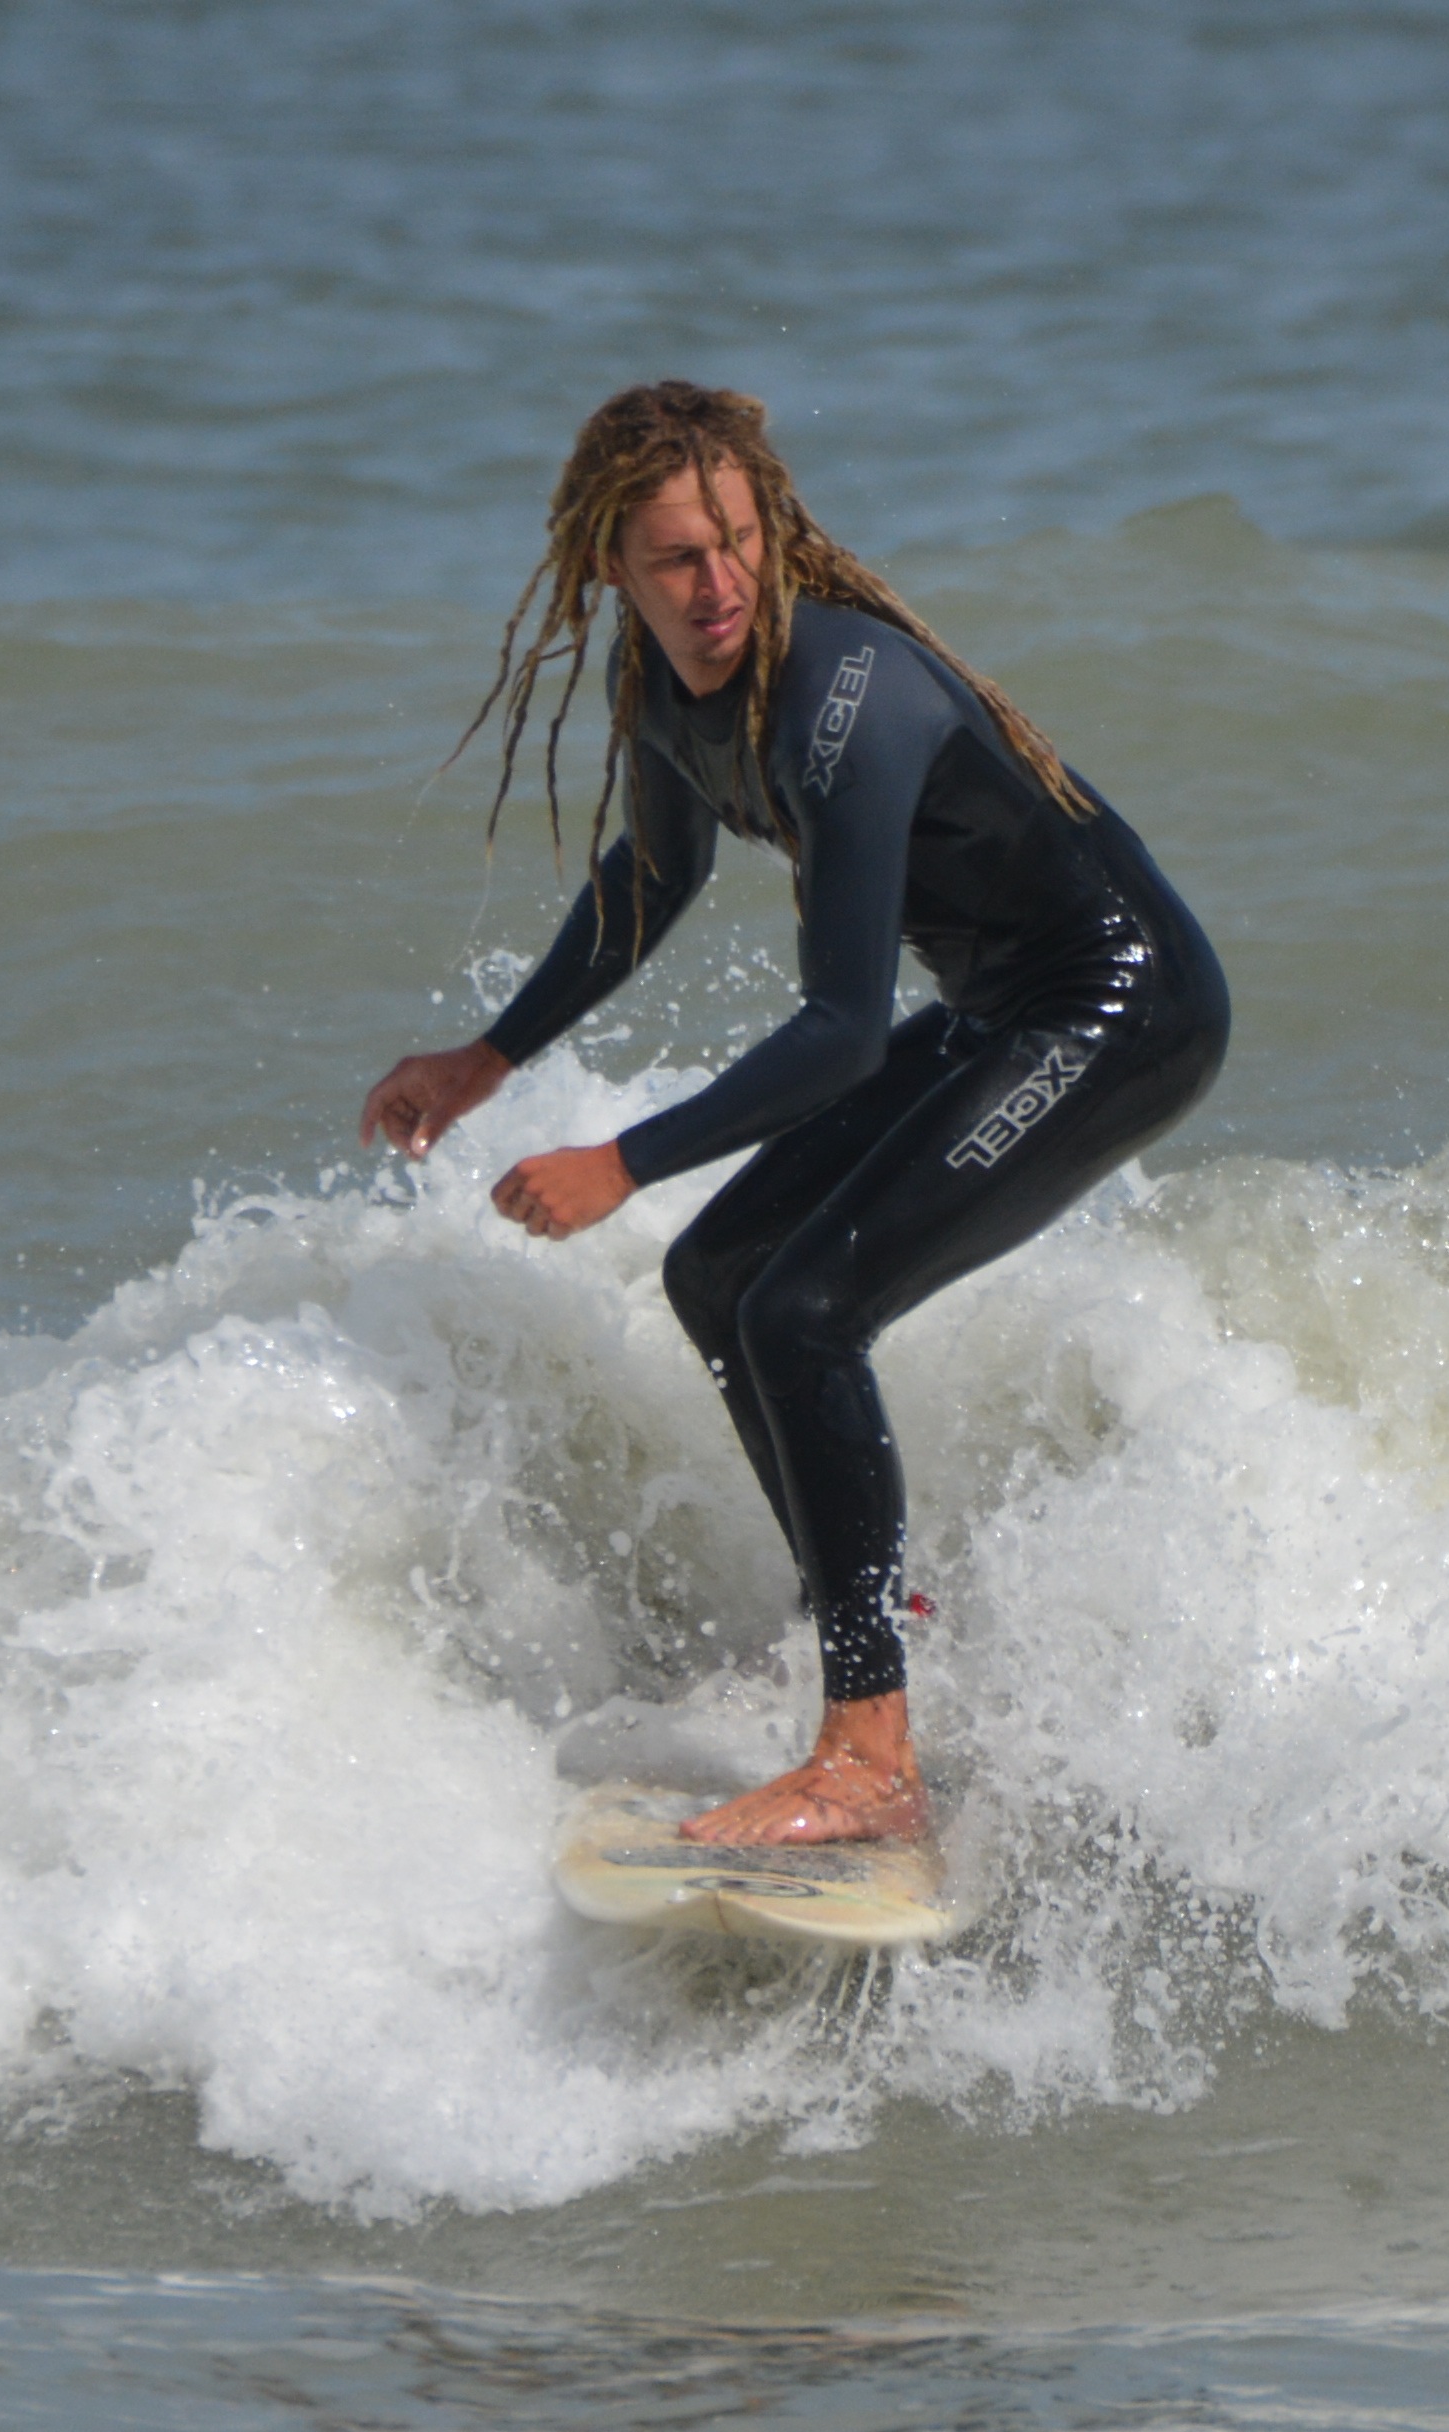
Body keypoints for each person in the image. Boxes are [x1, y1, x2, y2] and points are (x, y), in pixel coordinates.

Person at [359, 381, 1227, 1847]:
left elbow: (834, 1036)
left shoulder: (848, 694)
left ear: (774, 527)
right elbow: (653, 877)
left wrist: (621, 1162)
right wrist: (487, 1059)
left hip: (1116, 1009)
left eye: (737, 543)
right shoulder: (661, 684)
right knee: (722, 1276)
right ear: (608, 574)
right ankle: (880, 1621)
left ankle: (869, 1753)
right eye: (675, 560)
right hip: (998, 1007)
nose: (717, 587)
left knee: (801, 1310)